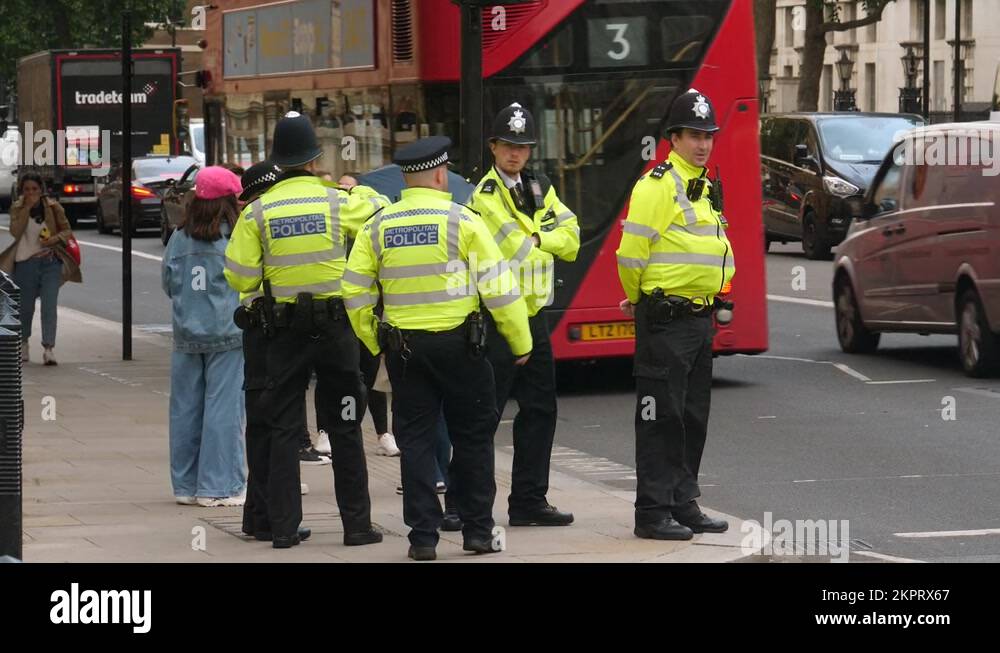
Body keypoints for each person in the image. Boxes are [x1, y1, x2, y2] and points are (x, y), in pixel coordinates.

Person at [343, 136, 532, 561]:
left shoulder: (379, 224)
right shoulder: (462, 221)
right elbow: (500, 288)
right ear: (441, 174)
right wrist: (520, 341)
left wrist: (374, 339)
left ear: (405, 180)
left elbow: (353, 290)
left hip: (405, 351)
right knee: (473, 438)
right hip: (460, 348)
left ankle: (423, 538)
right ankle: (478, 531)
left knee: (416, 441)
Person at [225, 112, 387, 549]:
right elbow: (378, 209)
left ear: (278, 160)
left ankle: (282, 529)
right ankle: (357, 527)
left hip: (283, 334)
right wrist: (356, 188)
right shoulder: (338, 201)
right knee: (347, 425)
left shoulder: (258, 212)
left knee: (281, 427)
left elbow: (239, 276)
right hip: (337, 332)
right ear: (316, 159)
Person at [616, 89, 735, 540]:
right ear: (674, 138)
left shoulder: (703, 186)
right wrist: (640, 299)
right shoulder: (657, 185)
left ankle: (683, 502)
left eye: (709, 136)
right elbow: (631, 254)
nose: (703, 144)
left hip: (698, 320)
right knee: (659, 418)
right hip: (665, 319)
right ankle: (652, 511)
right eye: (694, 136)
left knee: (691, 417)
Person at [467, 102, 579, 527]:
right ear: (494, 147)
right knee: (486, 413)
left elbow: (572, 238)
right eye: (508, 145)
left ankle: (529, 501)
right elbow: (513, 246)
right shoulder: (486, 195)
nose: (515, 154)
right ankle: (465, 505)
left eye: (523, 146)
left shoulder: (539, 185)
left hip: (535, 316)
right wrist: (542, 234)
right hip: (498, 320)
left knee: (541, 411)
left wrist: (537, 235)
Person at [161, 166, 247, 507]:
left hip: (186, 333)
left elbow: (168, 283)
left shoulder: (180, 238)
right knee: (223, 409)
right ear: (228, 201)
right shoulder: (233, 238)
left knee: (184, 408)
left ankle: (185, 485)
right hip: (227, 334)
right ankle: (219, 486)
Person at [0, 172, 81, 365]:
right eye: (27, 190)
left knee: (49, 305)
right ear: (22, 191)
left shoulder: (53, 208)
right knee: (25, 307)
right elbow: (15, 232)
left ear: (41, 190)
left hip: (50, 262)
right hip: (25, 263)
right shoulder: (17, 208)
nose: (31, 193)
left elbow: (67, 231)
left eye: (34, 189)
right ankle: (24, 343)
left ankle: (49, 348)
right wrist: (26, 209)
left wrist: (54, 239)